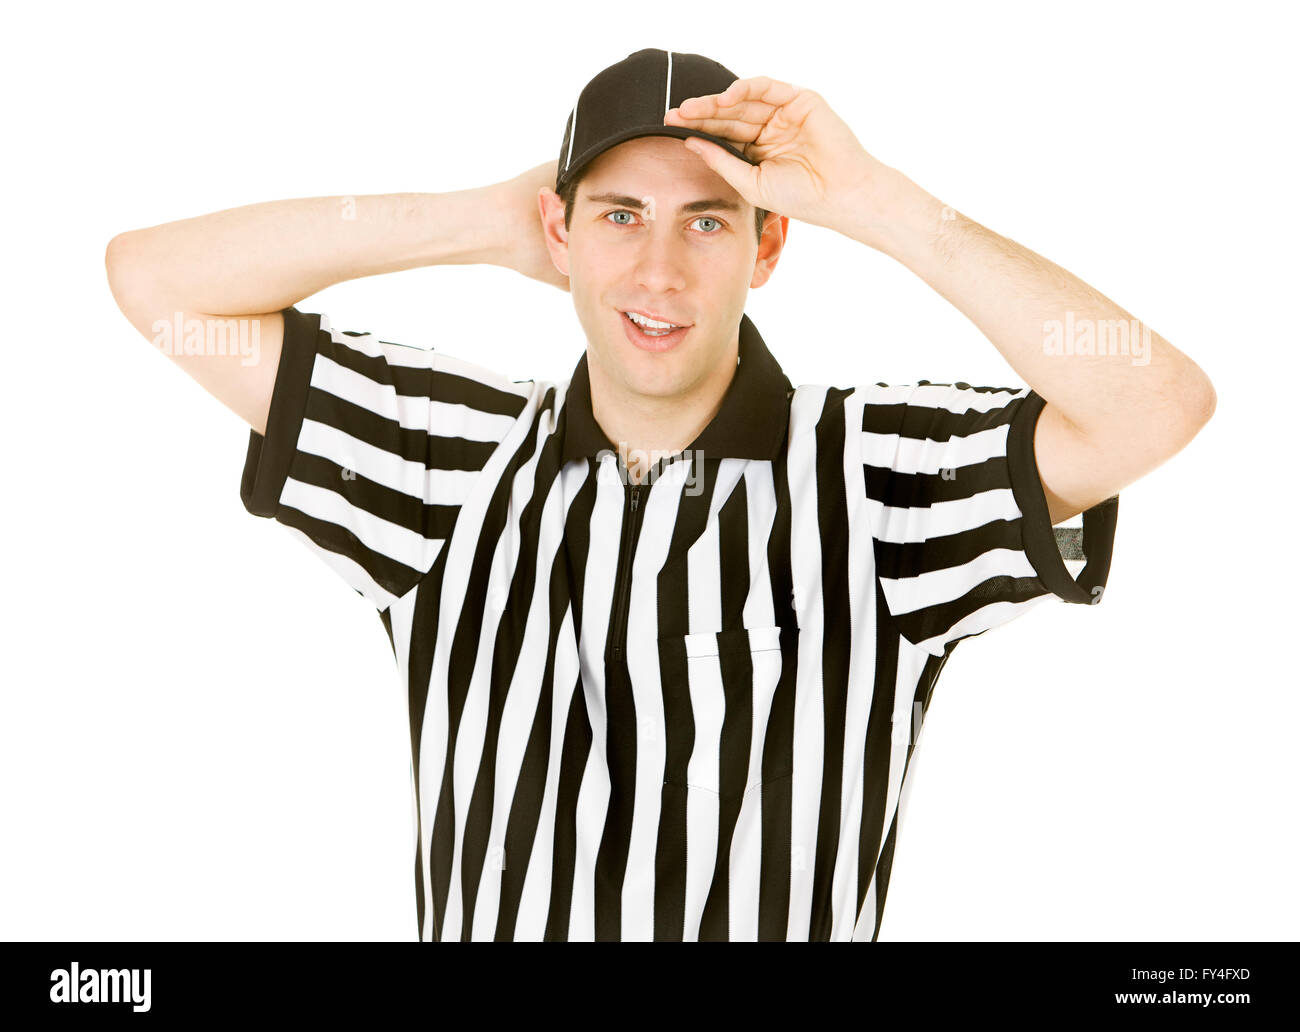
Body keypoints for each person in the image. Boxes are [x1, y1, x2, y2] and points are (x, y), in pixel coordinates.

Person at [104, 48, 1215, 941]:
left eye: (707, 220)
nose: (659, 275)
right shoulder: (453, 458)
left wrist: (874, 202)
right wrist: (482, 220)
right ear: (561, 234)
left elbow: (1154, 403)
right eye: (620, 216)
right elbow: (155, 283)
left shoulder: (877, 477)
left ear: (766, 244)